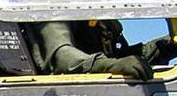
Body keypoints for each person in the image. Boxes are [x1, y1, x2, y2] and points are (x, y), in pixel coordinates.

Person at [27, 17, 176, 80]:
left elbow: (122, 58)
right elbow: (63, 57)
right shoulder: (47, 2)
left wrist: (168, 46)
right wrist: (109, 65)